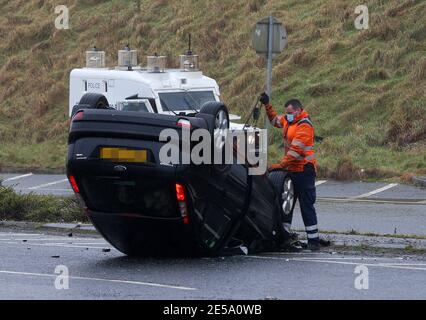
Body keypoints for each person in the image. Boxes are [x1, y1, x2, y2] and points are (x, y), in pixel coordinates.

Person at [259, 93, 320, 251]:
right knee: (287, 205)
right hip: (292, 170)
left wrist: (280, 165)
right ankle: (284, 236)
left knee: (306, 205)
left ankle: (313, 241)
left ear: (299, 110)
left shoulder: (304, 125)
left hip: (304, 170)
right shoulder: (288, 120)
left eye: (290, 113)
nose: (287, 115)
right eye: (286, 113)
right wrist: (267, 105)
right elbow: (274, 120)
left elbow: (295, 151)